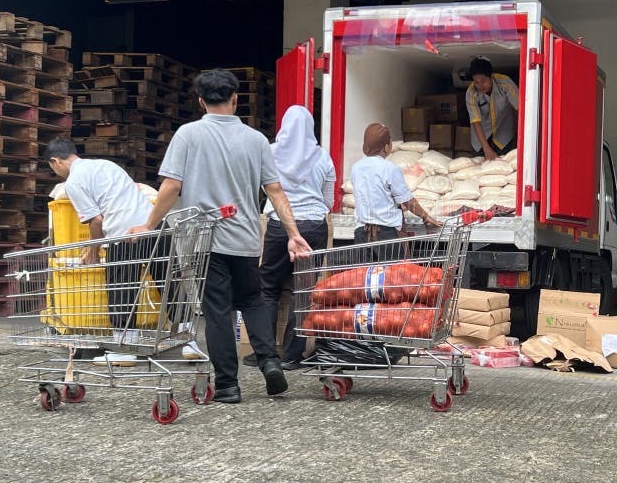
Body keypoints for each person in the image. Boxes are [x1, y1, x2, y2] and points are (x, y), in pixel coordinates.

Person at [128, 68, 312, 404]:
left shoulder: (187, 135)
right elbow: (274, 190)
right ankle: (270, 360)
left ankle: (228, 385)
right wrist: (293, 233)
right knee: (253, 301)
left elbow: (171, 186)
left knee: (217, 311)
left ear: (201, 101)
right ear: (235, 100)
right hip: (243, 238)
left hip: (204, 242)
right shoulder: (256, 140)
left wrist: (149, 224)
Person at [44, 139, 202, 365]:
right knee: (170, 282)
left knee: (122, 287)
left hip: (124, 233)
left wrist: (93, 251)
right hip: (154, 225)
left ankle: (125, 346)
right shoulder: (106, 165)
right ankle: (189, 342)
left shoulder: (74, 182)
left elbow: (96, 221)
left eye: (53, 167)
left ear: (55, 161)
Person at [256, 105, 335, 371]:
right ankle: (292, 356)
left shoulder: (269, 152)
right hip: (313, 227)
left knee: (269, 289)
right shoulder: (322, 157)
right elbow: (328, 200)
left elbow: (260, 186)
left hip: (279, 226)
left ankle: (265, 354)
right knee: (303, 292)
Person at [350, 123, 441, 260]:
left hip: (362, 233)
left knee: (366, 278)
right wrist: (425, 216)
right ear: (386, 147)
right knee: (395, 278)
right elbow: (407, 200)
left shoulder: (356, 168)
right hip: (386, 235)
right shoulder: (390, 169)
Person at [465, 56, 519, 160]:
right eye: (476, 82)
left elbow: (521, 109)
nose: (480, 86)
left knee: (505, 165)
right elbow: (475, 121)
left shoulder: (505, 84)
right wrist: (486, 148)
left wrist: (519, 136)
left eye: (483, 81)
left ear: (491, 77)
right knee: (479, 167)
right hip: (481, 135)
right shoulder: (471, 93)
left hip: (503, 132)